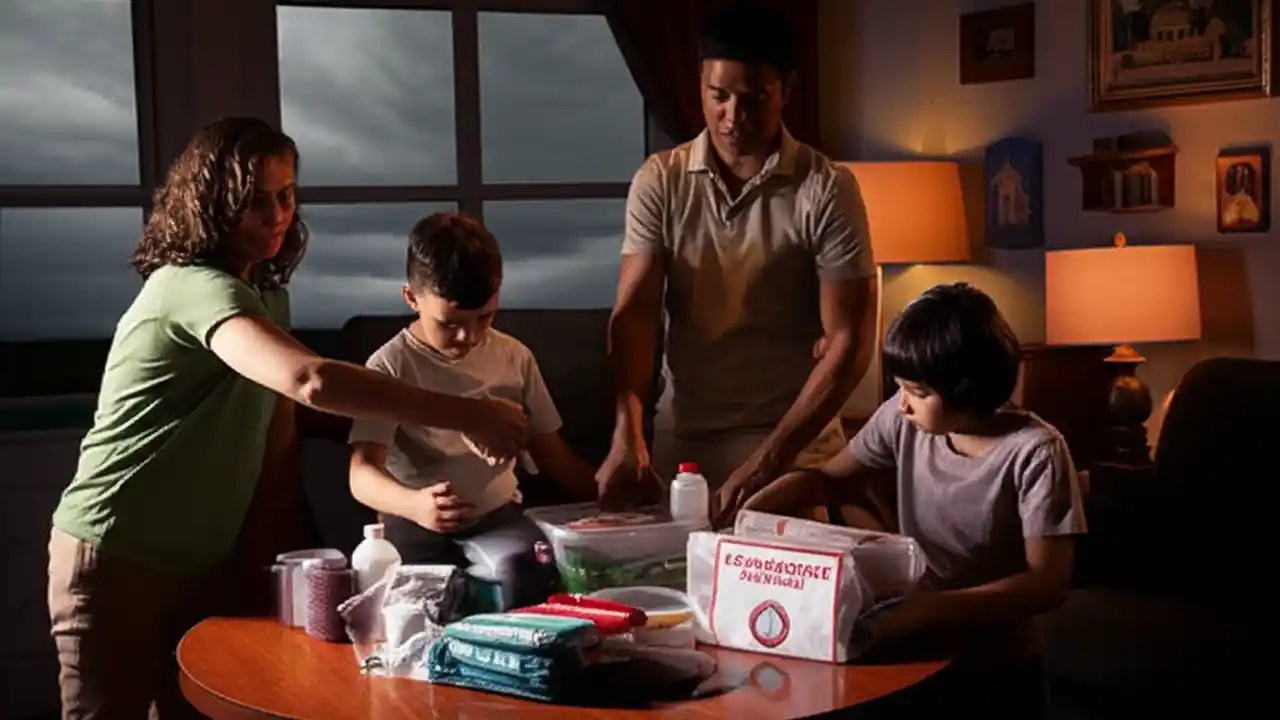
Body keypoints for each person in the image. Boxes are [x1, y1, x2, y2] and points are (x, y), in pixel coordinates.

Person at [46, 118, 527, 720]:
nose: (276, 215)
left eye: (286, 194)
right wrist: (469, 414)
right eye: (254, 200)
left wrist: (279, 550)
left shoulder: (265, 294)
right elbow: (311, 380)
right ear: (210, 203)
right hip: (117, 551)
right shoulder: (190, 287)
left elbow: (276, 420)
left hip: (204, 558)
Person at [746, 283, 1087, 718]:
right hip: (916, 642)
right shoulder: (901, 418)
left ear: (966, 388)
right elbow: (831, 481)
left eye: (919, 392)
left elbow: (1047, 582)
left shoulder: (1035, 453)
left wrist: (926, 609)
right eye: (901, 387)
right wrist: (754, 508)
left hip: (1000, 662)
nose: (902, 404)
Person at [596, 0, 877, 519]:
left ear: (786, 91)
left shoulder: (827, 188)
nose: (732, 117)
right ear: (700, 85)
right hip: (686, 437)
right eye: (717, 96)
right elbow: (634, 315)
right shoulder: (660, 181)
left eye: (753, 99)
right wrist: (627, 429)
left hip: (792, 434)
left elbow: (850, 341)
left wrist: (770, 459)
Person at [348, 212, 598, 610]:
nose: (470, 336)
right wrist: (414, 505)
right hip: (413, 528)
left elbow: (554, 456)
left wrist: (613, 498)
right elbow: (361, 474)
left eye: (486, 317)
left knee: (533, 570)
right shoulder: (390, 366)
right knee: (417, 606)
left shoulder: (514, 357)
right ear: (411, 298)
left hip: (499, 517)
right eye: (451, 324)